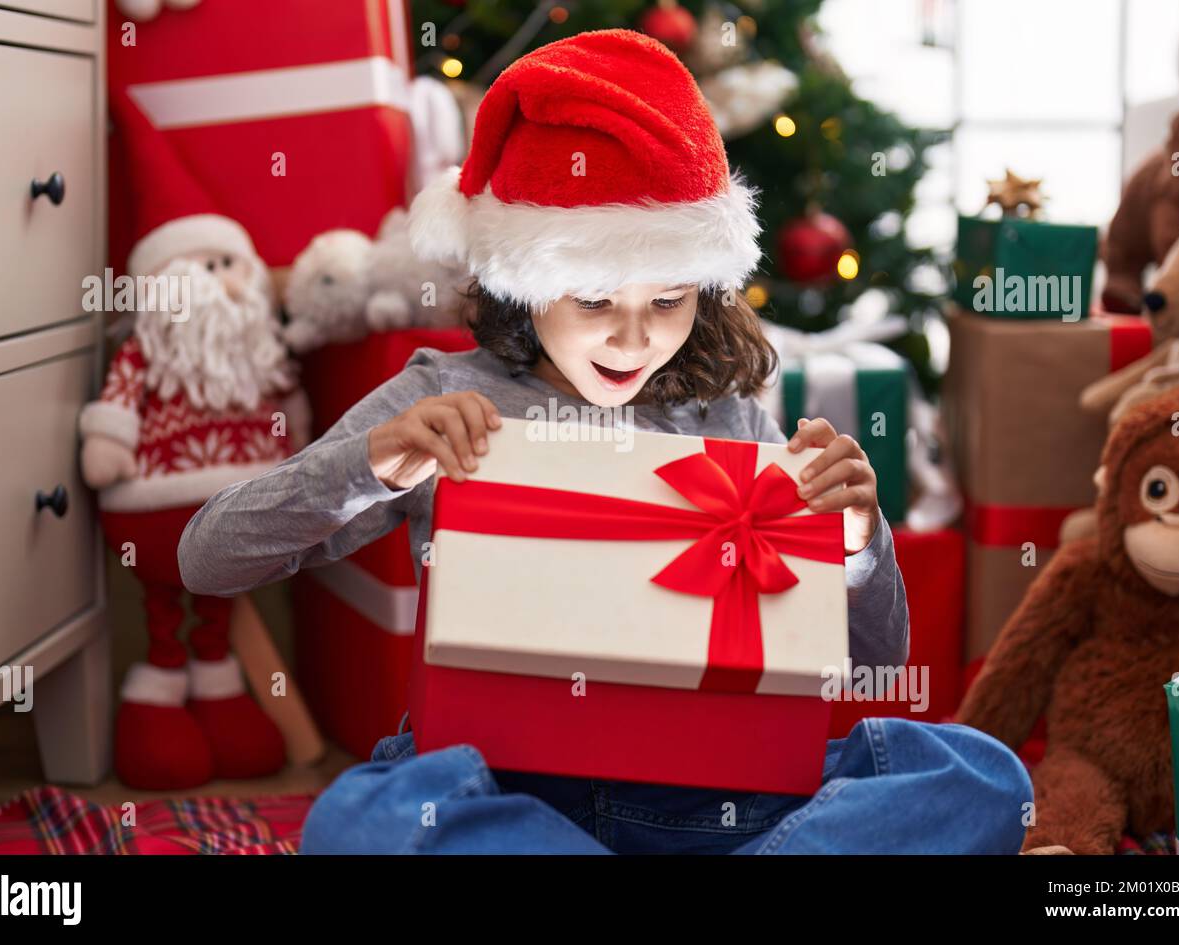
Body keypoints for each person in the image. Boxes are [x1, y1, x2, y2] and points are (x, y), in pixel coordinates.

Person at [178, 29, 1031, 854]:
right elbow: (205, 557)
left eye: (668, 301)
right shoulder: (442, 396)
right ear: (524, 283)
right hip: (512, 797)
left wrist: (856, 542)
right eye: (592, 301)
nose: (632, 339)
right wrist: (367, 466)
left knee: (984, 776)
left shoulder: (727, 416)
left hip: (713, 805)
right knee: (361, 820)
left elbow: (876, 664)